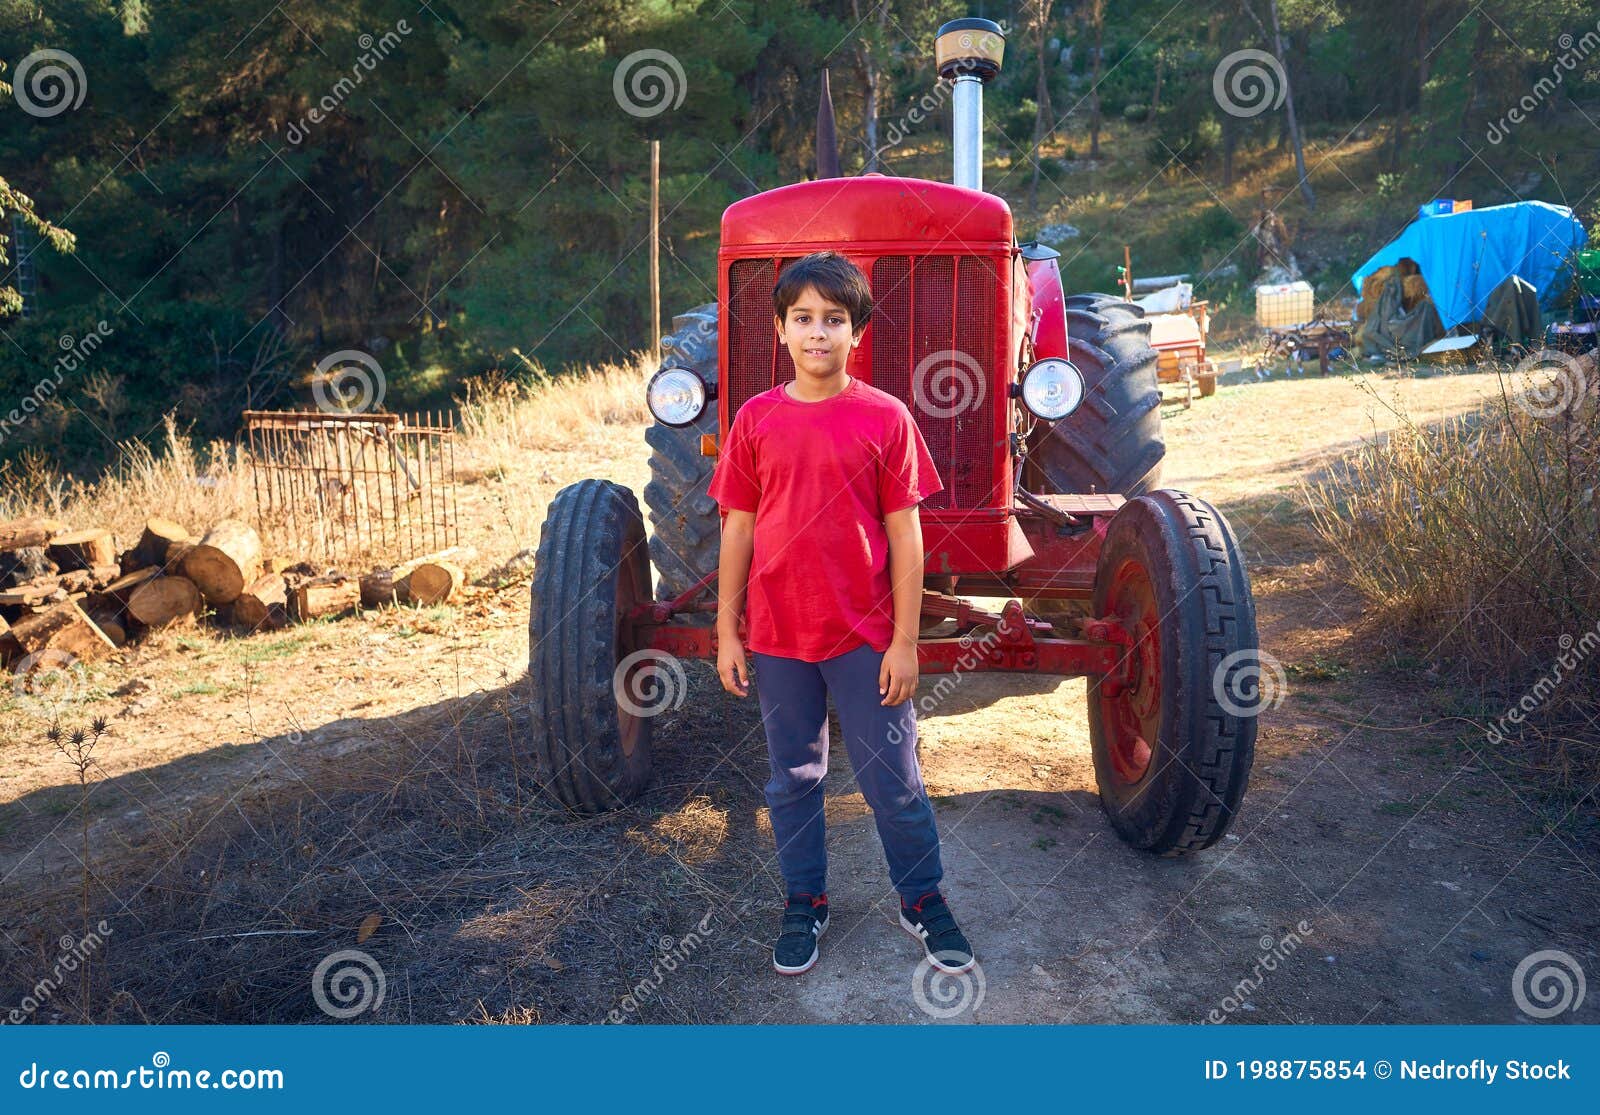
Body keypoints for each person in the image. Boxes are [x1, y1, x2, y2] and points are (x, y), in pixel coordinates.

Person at [706, 250, 975, 978]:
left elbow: (904, 534)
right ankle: (805, 899)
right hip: (781, 634)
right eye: (803, 319)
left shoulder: (885, 417)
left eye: (833, 320)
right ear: (780, 329)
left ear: (857, 332)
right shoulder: (756, 420)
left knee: (892, 775)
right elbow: (737, 527)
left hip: (865, 636)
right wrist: (728, 629)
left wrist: (906, 641)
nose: (817, 333)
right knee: (792, 777)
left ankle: (922, 898)